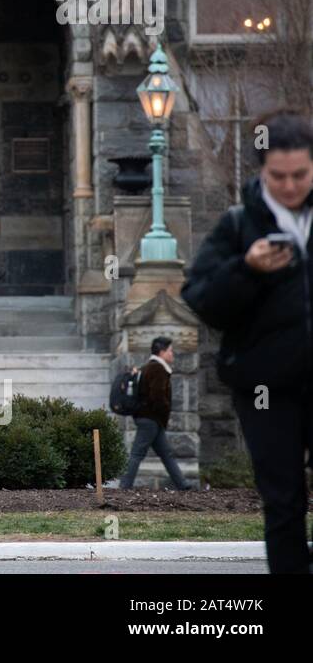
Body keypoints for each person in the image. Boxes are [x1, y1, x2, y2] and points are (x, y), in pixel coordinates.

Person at [181, 110, 313, 574]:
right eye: (279, 176)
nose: (291, 186)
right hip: (266, 390)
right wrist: (247, 270)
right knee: (283, 503)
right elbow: (201, 301)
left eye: (300, 174)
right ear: (262, 169)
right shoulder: (239, 225)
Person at [118, 337, 189, 491]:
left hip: (150, 419)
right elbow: (157, 396)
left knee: (166, 454)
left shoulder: (147, 367)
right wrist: (164, 410)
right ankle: (124, 486)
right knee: (137, 453)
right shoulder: (158, 369)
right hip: (150, 419)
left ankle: (183, 485)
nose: (172, 354)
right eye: (170, 351)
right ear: (162, 352)